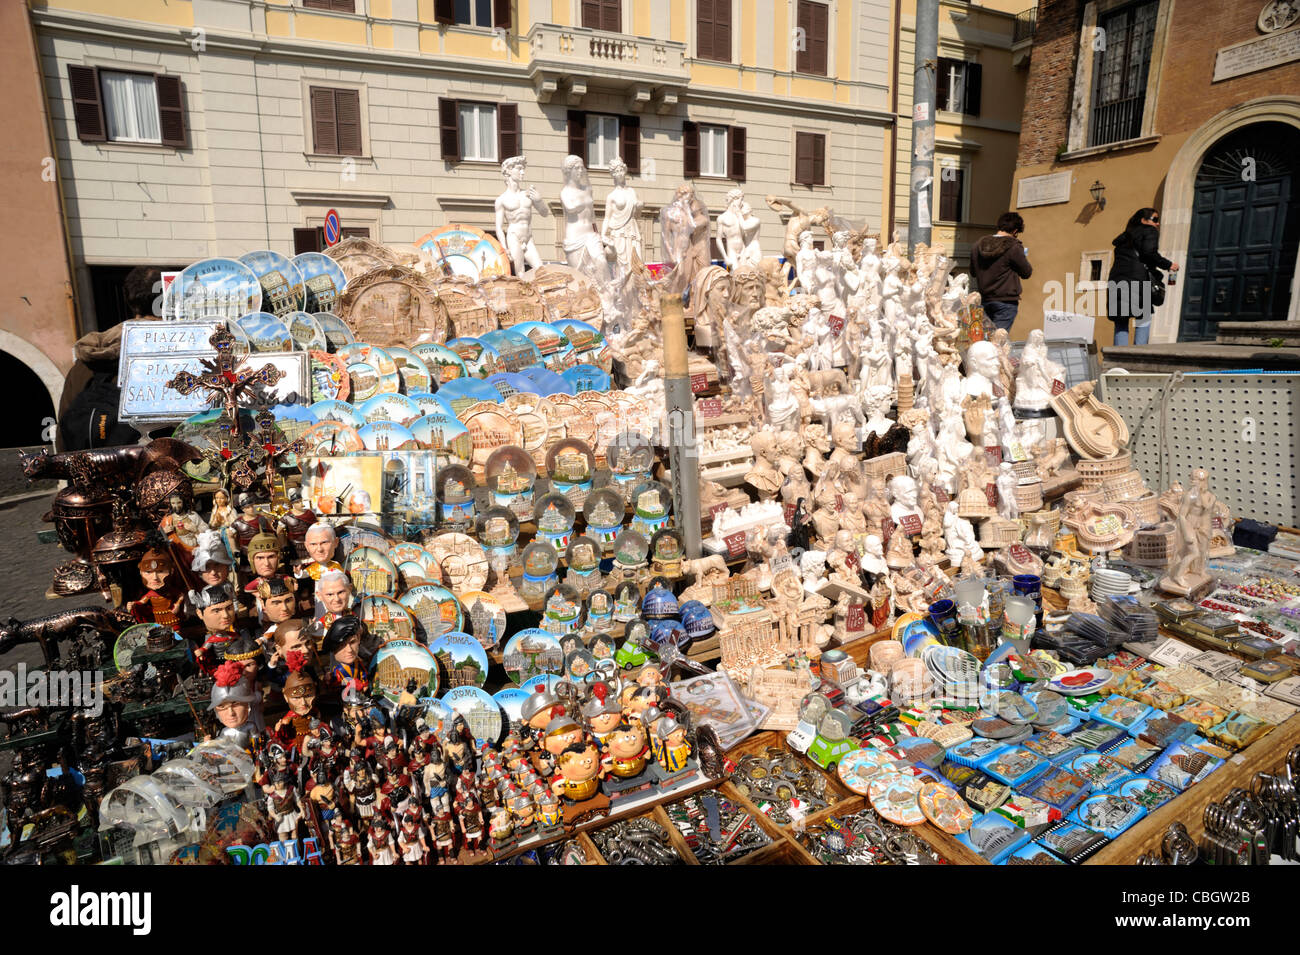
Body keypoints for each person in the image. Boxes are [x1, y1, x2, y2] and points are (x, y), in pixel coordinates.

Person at [1107, 207, 1178, 346]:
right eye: (1155, 219)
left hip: (1116, 281)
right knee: (1143, 318)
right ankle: (1138, 354)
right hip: (1137, 280)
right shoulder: (1149, 231)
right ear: (1143, 220)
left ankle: (1119, 357)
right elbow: (1149, 253)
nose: (1157, 223)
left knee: (1121, 320)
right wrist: (1168, 265)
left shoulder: (1123, 238)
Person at [970, 213, 1032, 333]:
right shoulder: (1014, 247)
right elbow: (1026, 273)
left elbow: (973, 272)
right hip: (1006, 302)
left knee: (982, 339)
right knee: (997, 342)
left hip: (983, 300)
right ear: (1015, 231)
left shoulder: (977, 245)